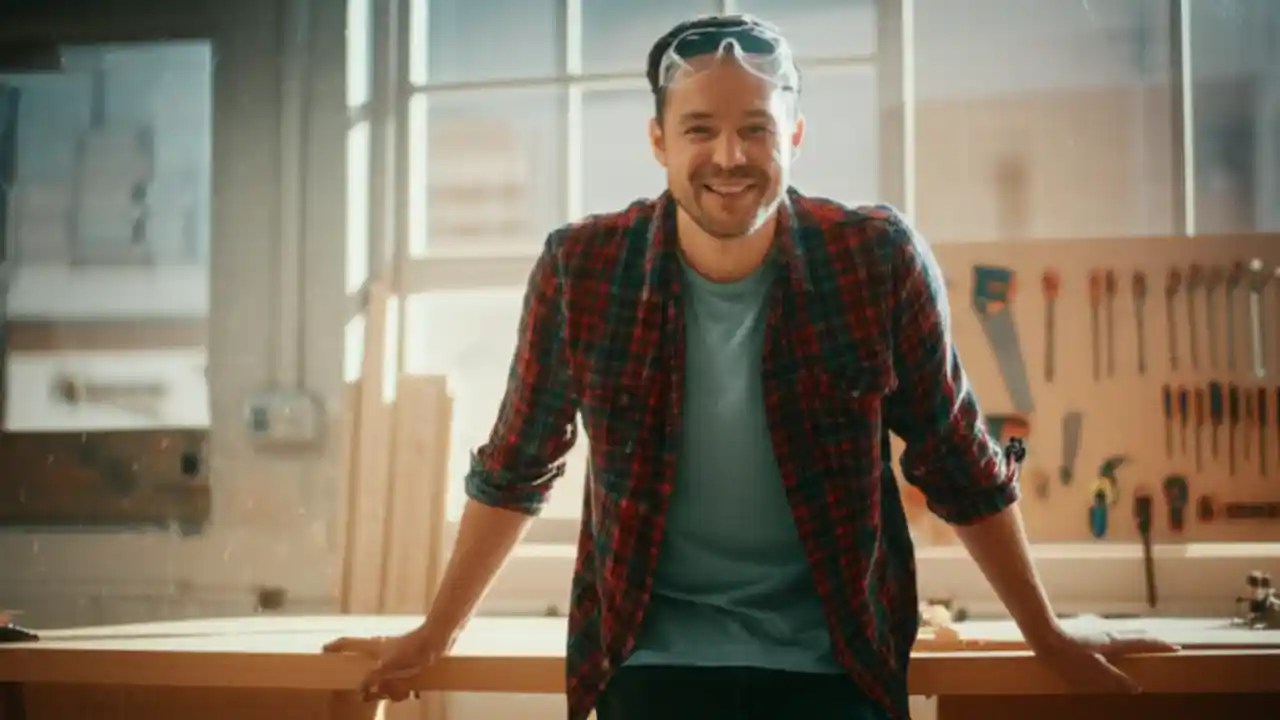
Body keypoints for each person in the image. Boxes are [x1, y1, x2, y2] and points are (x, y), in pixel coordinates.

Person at [324, 13, 1177, 720]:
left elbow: (957, 460)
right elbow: (516, 464)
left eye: (755, 130)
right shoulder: (580, 269)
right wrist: (434, 635)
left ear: (794, 135)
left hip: (837, 667)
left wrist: (1048, 634)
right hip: (649, 665)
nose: (728, 157)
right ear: (659, 140)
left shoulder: (875, 259)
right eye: (700, 129)